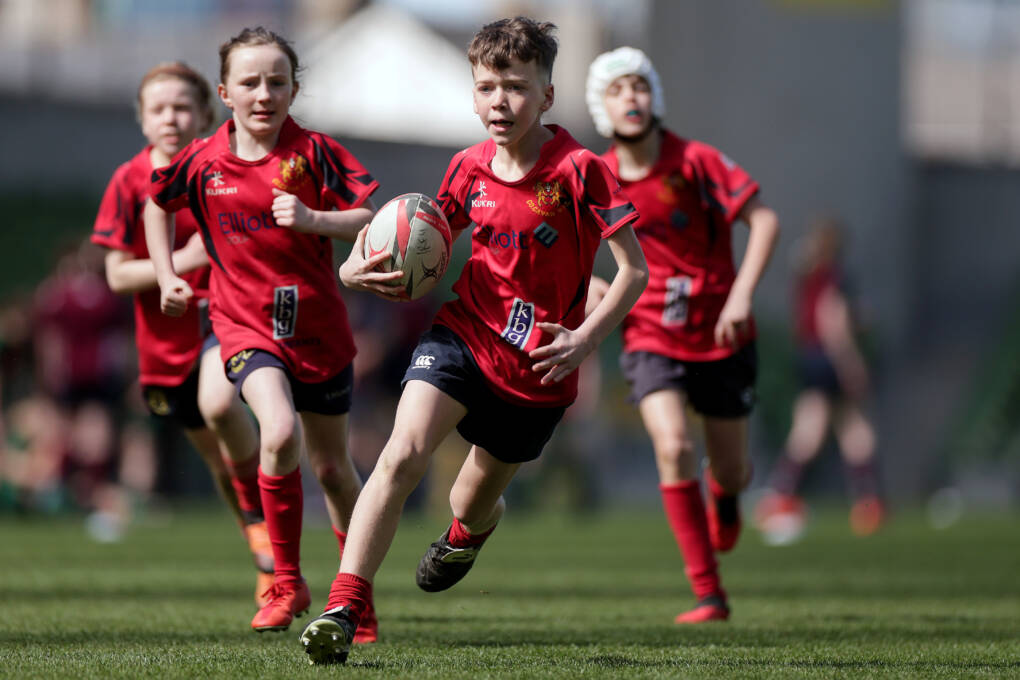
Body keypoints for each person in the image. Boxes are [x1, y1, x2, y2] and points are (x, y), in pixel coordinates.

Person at [298, 16, 648, 665]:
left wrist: (584, 339)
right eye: (486, 87)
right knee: (402, 454)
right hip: (462, 338)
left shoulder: (580, 170)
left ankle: (470, 529)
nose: (499, 101)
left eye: (515, 87)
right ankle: (344, 605)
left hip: (540, 371)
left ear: (546, 95)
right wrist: (355, 269)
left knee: (470, 497)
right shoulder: (466, 168)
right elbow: (420, 247)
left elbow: (634, 270)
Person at [144, 28, 380, 640]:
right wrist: (168, 274)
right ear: (224, 92)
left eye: (277, 81)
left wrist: (312, 219)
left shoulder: (317, 151)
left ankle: (358, 597)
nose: (263, 93)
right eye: (249, 81)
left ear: (295, 89)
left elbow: (368, 217)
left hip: (319, 330)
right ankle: (286, 580)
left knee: (331, 469)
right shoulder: (201, 158)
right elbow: (156, 205)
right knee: (277, 431)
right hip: (245, 325)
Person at [584, 47, 780, 623]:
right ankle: (708, 594)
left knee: (733, 470)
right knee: (674, 447)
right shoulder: (595, 175)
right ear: (603, 105)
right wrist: (593, 286)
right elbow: (568, 247)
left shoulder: (694, 160)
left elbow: (763, 219)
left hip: (722, 333)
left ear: (655, 98)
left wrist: (742, 294)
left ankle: (726, 494)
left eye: (639, 87)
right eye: (617, 90)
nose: (631, 99)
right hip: (650, 334)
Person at [91, 61, 273, 590]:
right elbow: (118, 276)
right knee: (219, 462)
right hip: (165, 347)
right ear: (143, 120)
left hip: (227, 323)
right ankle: (261, 544)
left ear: (205, 113)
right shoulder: (128, 181)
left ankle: (274, 533)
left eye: (181, 107)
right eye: (158, 109)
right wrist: (182, 261)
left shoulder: (229, 168)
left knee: (222, 407)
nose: (170, 118)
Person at [754, 218, 882, 543]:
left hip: (808, 358)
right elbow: (833, 323)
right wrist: (851, 364)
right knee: (851, 428)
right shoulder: (835, 277)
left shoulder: (807, 276)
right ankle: (867, 502)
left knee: (819, 429)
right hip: (829, 359)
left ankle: (779, 493)